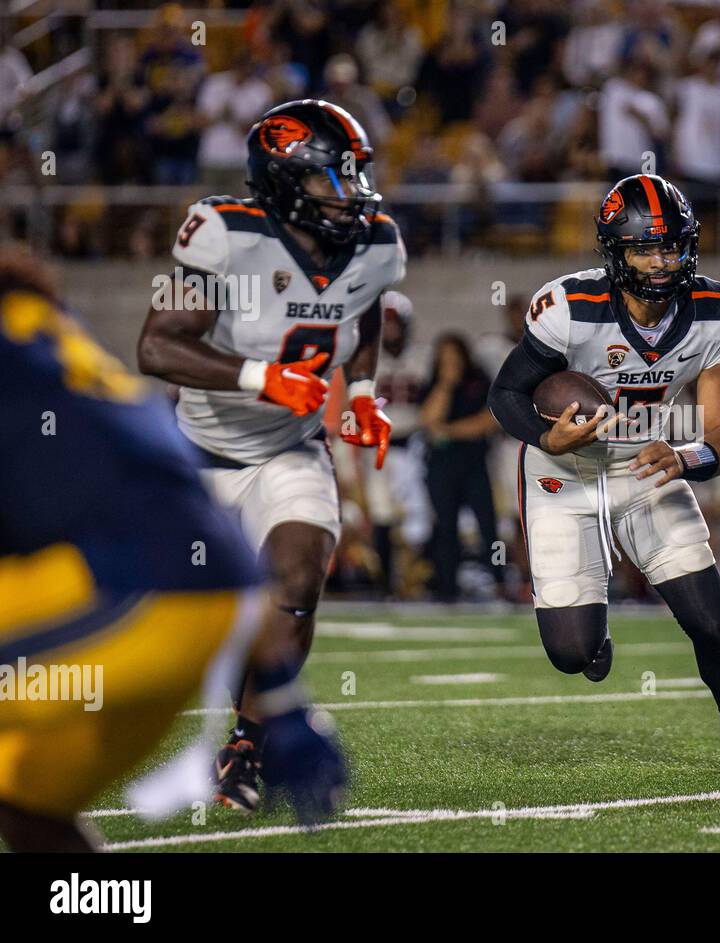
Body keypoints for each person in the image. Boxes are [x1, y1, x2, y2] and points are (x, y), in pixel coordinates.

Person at [0, 249, 344, 851]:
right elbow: (206, 538)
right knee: (25, 806)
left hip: (131, 600)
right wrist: (283, 703)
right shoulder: (52, 338)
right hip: (215, 601)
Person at [137, 99, 405, 812]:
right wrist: (262, 376)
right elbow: (156, 345)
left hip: (288, 450)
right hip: (199, 450)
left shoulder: (374, 242)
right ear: (285, 181)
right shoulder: (225, 235)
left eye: (353, 177)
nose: (348, 196)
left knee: (299, 576)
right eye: (330, 180)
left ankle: (248, 746)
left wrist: (367, 391)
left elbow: (367, 305)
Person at [486, 173, 720, 772]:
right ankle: (592, 637)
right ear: (614, 251)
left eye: (670, 245)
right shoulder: (570, 306)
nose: (660, 260)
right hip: (562, 467)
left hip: (647, 461)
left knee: (707, 614)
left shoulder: (717, 311)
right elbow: (506, 395)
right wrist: (549, 434)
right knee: (571, 653)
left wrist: (686, 456)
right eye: (644, 248)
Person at [420, 333, 503, 601]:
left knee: (487, 525)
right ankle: (446, 586)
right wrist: (445, 385)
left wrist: (449, 432)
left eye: (454, 357)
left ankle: (499, 582)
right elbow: (429, 421)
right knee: (445, 527)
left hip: (474, 464)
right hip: (442, 466)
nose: (451, 363)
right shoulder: (434, 384)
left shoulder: (479, 382)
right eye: (445, 359)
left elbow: (488, 422)